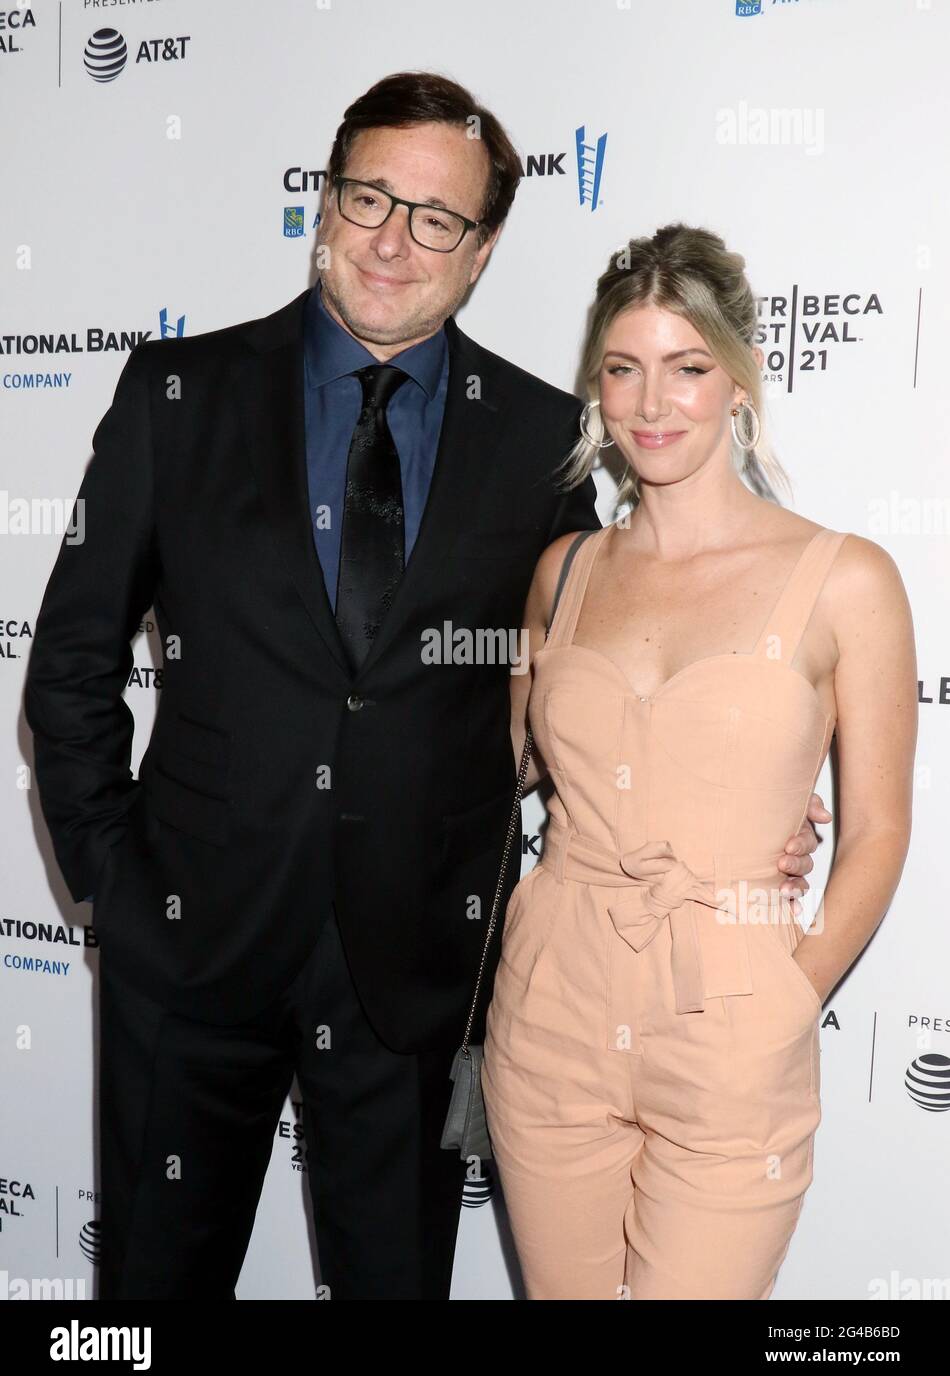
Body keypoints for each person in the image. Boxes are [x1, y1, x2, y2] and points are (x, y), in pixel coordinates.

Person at [23, 72, 825, 1301]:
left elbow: (583, 681)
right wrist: (114, 894)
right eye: (369, 199)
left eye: (437, 218)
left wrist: (737, 813)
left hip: (414, 981)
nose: (394, 241)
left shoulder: (541, 437)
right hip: (187, 959)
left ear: (484, 248)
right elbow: (72, 664)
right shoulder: (176, 395)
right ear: (324, 203)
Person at [481, 223, 916, 1300]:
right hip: (551, 1005)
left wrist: (785, 990)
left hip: (729, 1013)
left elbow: (875, 830)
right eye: (621, 369)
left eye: (684, 367)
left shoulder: (845, 578)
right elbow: (511, 766)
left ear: (737, 378)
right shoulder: (562, 570)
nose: (649, 402)